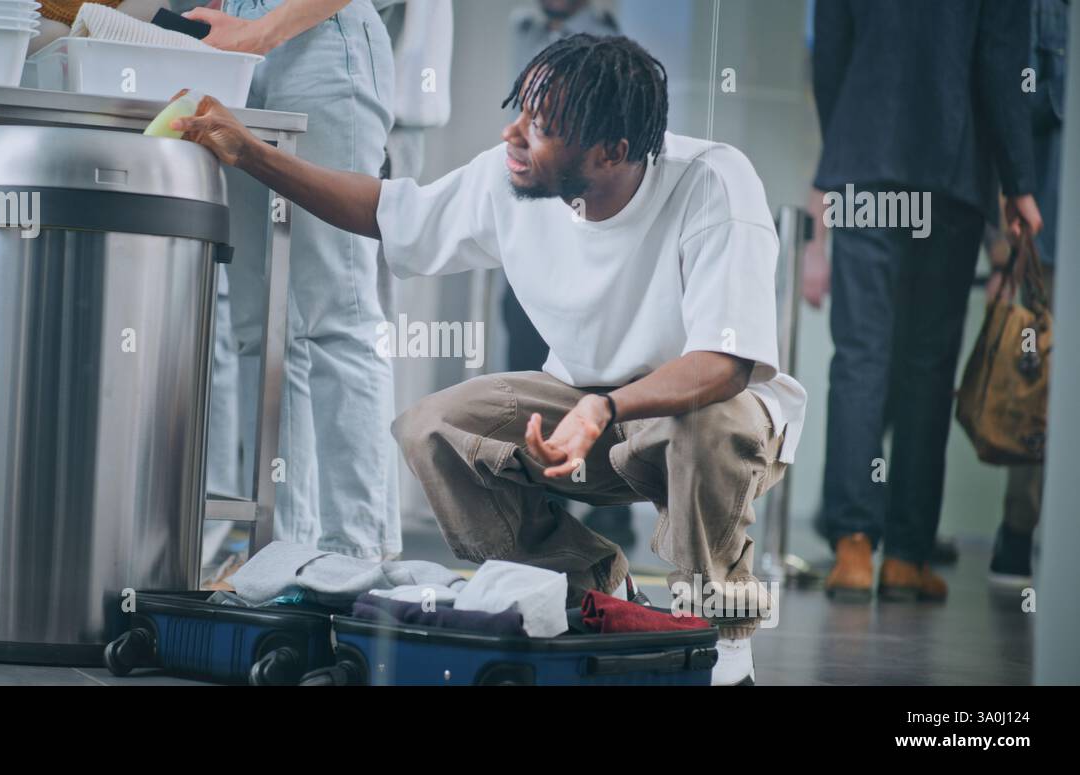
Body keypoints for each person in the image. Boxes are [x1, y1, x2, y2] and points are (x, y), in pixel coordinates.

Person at [171, 33, 807, 685]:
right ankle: (594, 597)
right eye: (521, 111)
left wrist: (606, 404)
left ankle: (721, 640)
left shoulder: (713, 181)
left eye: (543, 126)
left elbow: (725, 363)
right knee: (433, 428)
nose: (514, 134)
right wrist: (250, 154)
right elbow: (387, 211)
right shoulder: (509, 179)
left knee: (711, 425)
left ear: (613, 151)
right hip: (586, 409)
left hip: (707, 416)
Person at [811, 0, 1042, 602]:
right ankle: (908, 555)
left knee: (859, 355)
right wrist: (1018, 183)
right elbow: (1000, 62)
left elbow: (830, 46)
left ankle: (854, 545)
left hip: (863, 160)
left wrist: (844, 142)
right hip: (951, 166)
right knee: (927, 365)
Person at [185, 0, 402, 562]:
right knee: (261, 328)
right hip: (239, 47)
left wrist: (261, 32)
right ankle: (285, 551)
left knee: (337, 314)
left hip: (319, 42)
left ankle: (353, 555)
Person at [507, 0, 635, 550]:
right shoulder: (521, 27)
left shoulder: (609, 45)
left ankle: (612, 513)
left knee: (599, 376)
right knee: (526, 368)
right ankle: (537, 499)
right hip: (532, 240)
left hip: (586, 247)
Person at [986, 0, 1069, 590]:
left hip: (1050, 231)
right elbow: (1013, 111)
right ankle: (1020, 533)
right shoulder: (1042, 12)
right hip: (1053, 238)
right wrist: (1002, 250)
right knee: (1041, 391)